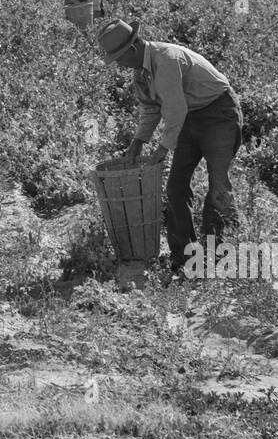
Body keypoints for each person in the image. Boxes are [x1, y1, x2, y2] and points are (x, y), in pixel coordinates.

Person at [95, 19, 242, 278]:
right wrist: (138, 143)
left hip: (219, 114)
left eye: (118, 58)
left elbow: (175, 110)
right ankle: (184, 257)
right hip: (190, 119)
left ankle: (221, 253)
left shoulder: (165, 60)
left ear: (133, 48)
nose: (118, 64)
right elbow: (151, 109)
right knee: (176, 186)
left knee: (218, 185)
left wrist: (160, 152)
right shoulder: (141, 73)